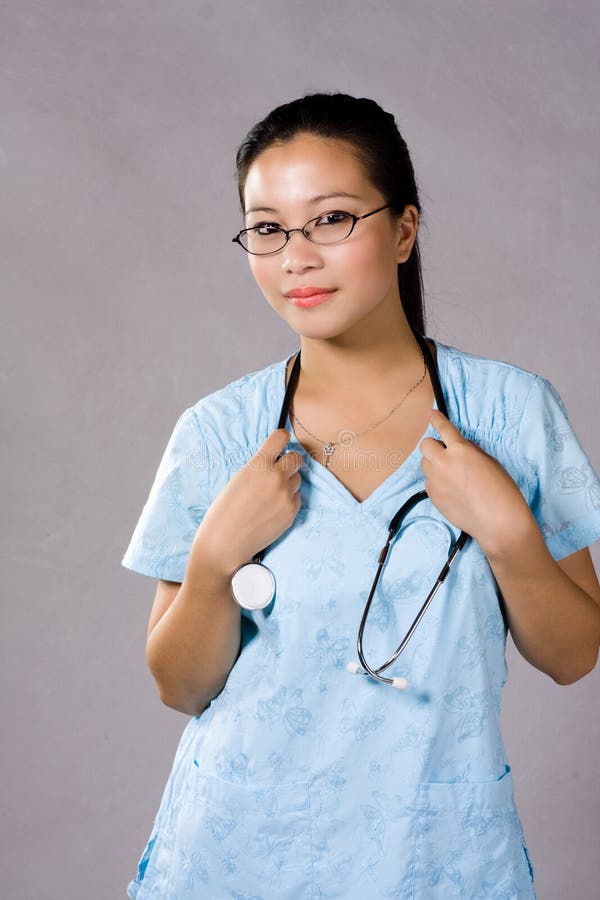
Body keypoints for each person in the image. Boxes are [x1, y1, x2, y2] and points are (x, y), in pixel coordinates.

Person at [121, 92, 600, 899]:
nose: (296, 257)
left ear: (405, 230)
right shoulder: (218, 433)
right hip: (234, 857)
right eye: (267, 228)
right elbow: (180, 686)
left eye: (332, 218)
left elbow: (573, 655)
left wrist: (509, 535)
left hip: (439, 860)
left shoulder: (509, 413)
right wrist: (212, 561)